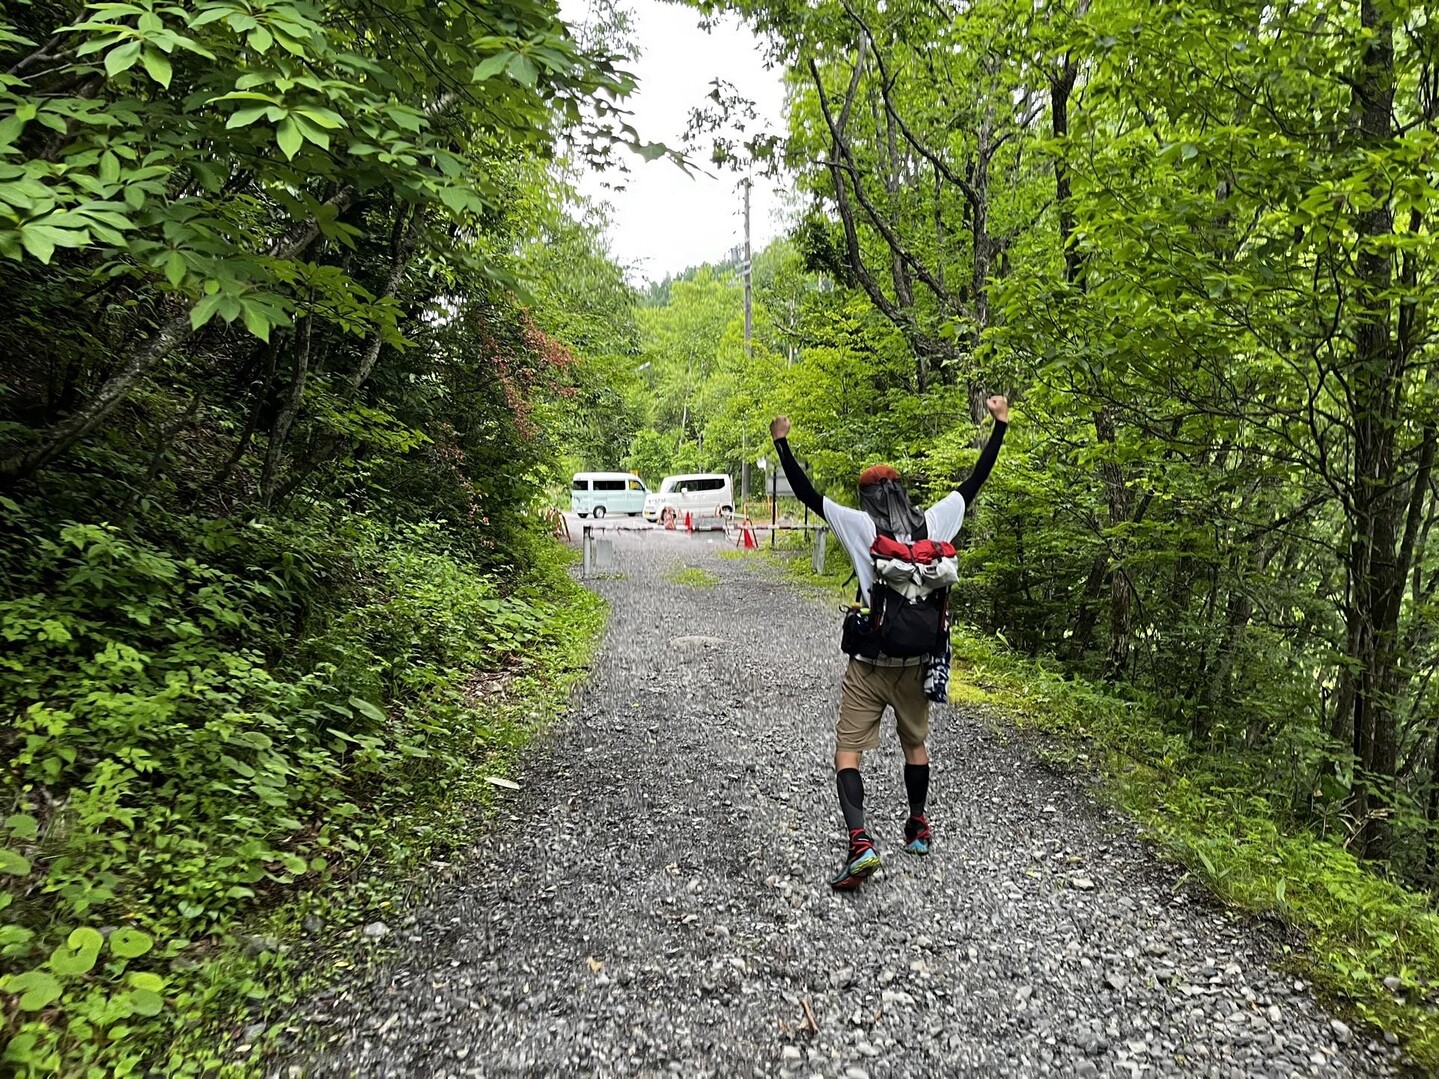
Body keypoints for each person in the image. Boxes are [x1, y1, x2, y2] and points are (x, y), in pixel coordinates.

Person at [769, 396, 1010, 889]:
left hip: (870, 662)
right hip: (920, 661)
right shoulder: (934, 523)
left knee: (847, 751)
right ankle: (918, 828)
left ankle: (860, 844)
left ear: (865, 497)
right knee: (915, 743)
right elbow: (974, 483)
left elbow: (807, 494)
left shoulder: (860, 526)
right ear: (901, 489)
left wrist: (782, 443)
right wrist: (999, 425)